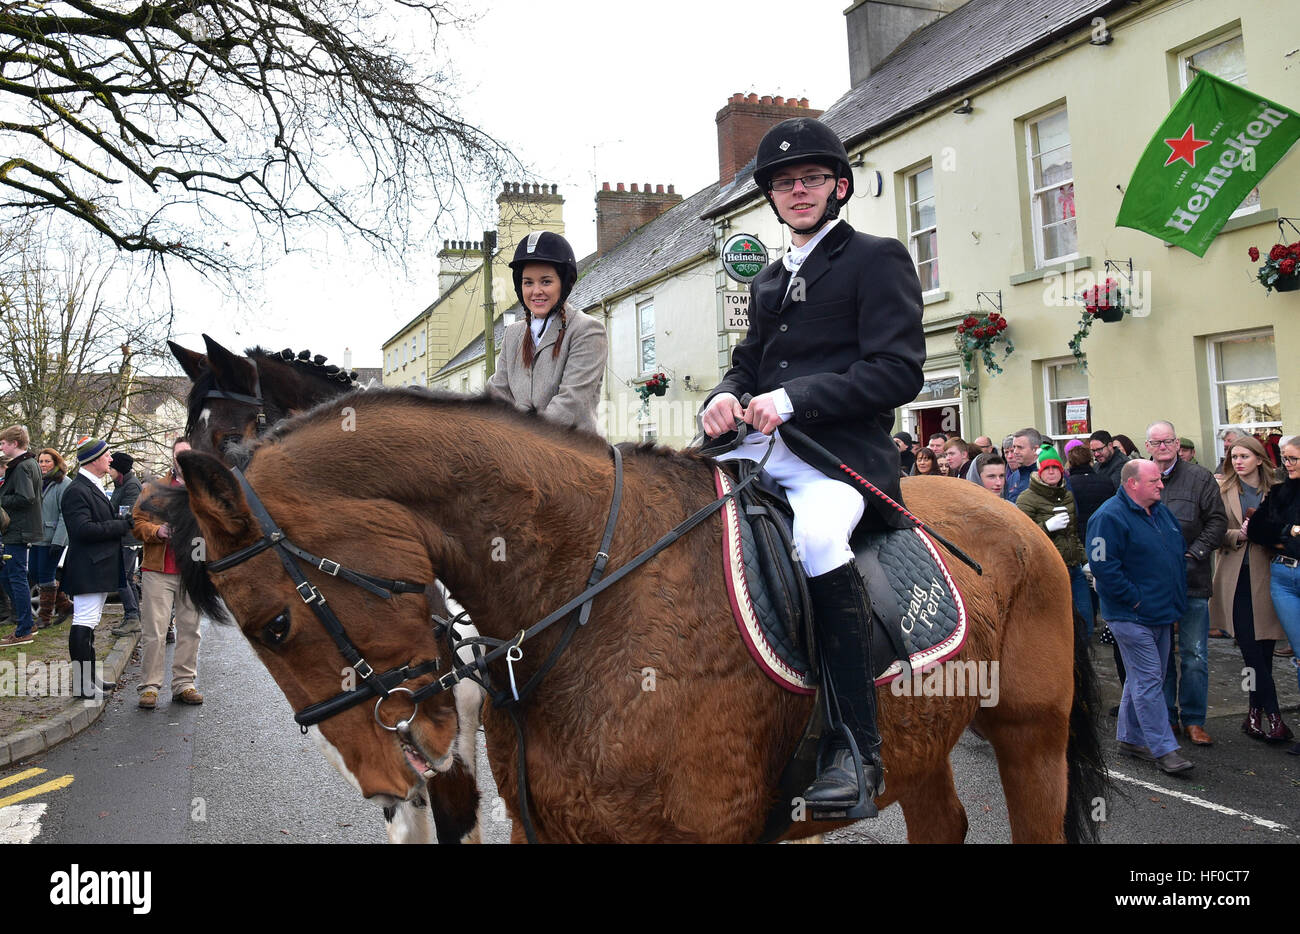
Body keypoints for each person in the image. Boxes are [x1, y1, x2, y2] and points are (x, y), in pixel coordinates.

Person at [700, 115, 925, 815]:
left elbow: (897, 371)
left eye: (812, 179)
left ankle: (854, 748)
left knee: (820, 540)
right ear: (771, 196)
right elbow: (746, 365)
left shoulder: (877, 258)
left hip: (838, 461)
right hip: (759, 451)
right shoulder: (769, 280)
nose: (797, 190)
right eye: (784, 182)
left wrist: (795, 397)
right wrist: (723, 397)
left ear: (840, 186)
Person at [1088, 460, 1193, 774]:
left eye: (1160, 480)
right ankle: (1165, 750)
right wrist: (1134, 599)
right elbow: (1103, 567)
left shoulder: (1159, 511)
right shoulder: (1108, 516)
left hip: (1161, 611)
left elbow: (1175, 549)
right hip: (1130, 616)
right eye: (1154, 481)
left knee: (1146, 679)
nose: (1161, 485)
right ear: (1132, 484)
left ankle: (1131, 738)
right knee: (1149, 680)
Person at [1146, 420, 1226, 747]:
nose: (1163, 447)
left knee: (1194, 654)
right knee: (1162, 655)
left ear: (1178, 444)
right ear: (1148, 446)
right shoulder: (1139, 477)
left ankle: (1194, 719)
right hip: (1153, 584)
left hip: (1192, 579)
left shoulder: (1200, 478)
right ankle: (1166, 717)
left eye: (1168, 441)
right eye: (1156, 442)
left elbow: (1218, 521)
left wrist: (1195, 553)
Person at [486, 230, 607, 435]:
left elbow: (571, 403)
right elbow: (498, 394)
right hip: (517, 451)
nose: (536, 291)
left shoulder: (587, 331)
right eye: (528, 282)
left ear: (563, 283)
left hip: (571, 453)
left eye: (546, 281)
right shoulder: (513, 334)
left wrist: (521, 440)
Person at [1212, 435, 1290, 743]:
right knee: (1250, 651)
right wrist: (1238, 535)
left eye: (1244, 456)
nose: (1238, 462)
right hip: (1235, 579)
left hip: (1269, 575)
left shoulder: (1277, 491)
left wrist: (1269, 534)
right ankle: (1275, 716)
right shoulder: (1222, 490)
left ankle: (1253, 714)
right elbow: (1214, 531)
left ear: (1259, 459)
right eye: (1234, 457)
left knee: (1265, 650)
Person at [132, 439, 204, 709]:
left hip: (193, 571)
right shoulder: (153, 488)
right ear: (172, 458)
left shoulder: (204, 490)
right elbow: (137, 522)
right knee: (155, 631)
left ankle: (184, 684)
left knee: (191, 630)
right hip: (158, 568)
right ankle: (150, 686)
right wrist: (157, 531)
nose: (183, 460)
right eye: (178, 455)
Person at [61, 437, 133, 698]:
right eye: (107, 455)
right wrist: (121, 525)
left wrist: (120, 520)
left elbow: (98, 520)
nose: (111, 459)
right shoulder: (77, 490)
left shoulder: (91, 485)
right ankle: (82, 685)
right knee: (83, 622)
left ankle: (90, 678)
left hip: (97, 566)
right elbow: (83, 530)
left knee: (90, 623)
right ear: (93, 460)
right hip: (88, 567)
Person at [1247, 435, 1300, 755]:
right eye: (1284, 458)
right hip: (1283, 577)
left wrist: (1284, 533)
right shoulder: (1280, 491)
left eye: (1293, 459)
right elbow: (1257, 531)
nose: (1286, 465)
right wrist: (1290, 533)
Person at [1016, 444, 1091, 639]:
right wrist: (1047, 527)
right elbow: (1022, 539)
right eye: (1047, 468)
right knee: (1059, 632)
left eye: (1055, 468)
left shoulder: (1067, 495)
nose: (1051, 472)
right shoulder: (1026, 498)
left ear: (1061, 470)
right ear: (1039, 471)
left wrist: (1085, 561)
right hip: (1048, 571)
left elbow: (1073, 535)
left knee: (1086, 625)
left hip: (1074, 570)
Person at [0, 425, 44, 648]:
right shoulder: (29, 463)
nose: (1, 446)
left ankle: (24, 628)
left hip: (18, 530)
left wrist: (2, 499)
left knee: (15, 577)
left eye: (3, 443)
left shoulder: (22, 466)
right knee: (9, 576)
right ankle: (26, 623)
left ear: (14, 444)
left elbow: (26, 498)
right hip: (19, 529)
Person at [32, 448, 74, 628]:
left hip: (53, 536)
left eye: (47, 461)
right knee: (34, 572)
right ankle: (65, 605)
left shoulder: (63, 483)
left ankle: (44, 617)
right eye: (40, 461)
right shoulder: (38, 482)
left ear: (56, 463)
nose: (43, 465)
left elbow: (66, 514)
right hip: (36, 536)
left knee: (46, 575)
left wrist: (58, 540)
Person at [108, 451, 143, 635]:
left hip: (129, 539)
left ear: (119, 468)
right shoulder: (120, 484)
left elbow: (126, 515)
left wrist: (105, 518)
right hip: (123, 538)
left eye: (111, 467)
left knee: (121, 579)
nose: (108, 470)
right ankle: (133, 615)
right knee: (127, 579)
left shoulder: (131, 486)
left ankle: (132, 617)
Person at [1004, 428, 1042, 503]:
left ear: (1035, 449)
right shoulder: (1013, 478)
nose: (1015, 452)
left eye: (1020, 447)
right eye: (1014, 447)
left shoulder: (1050, 475)